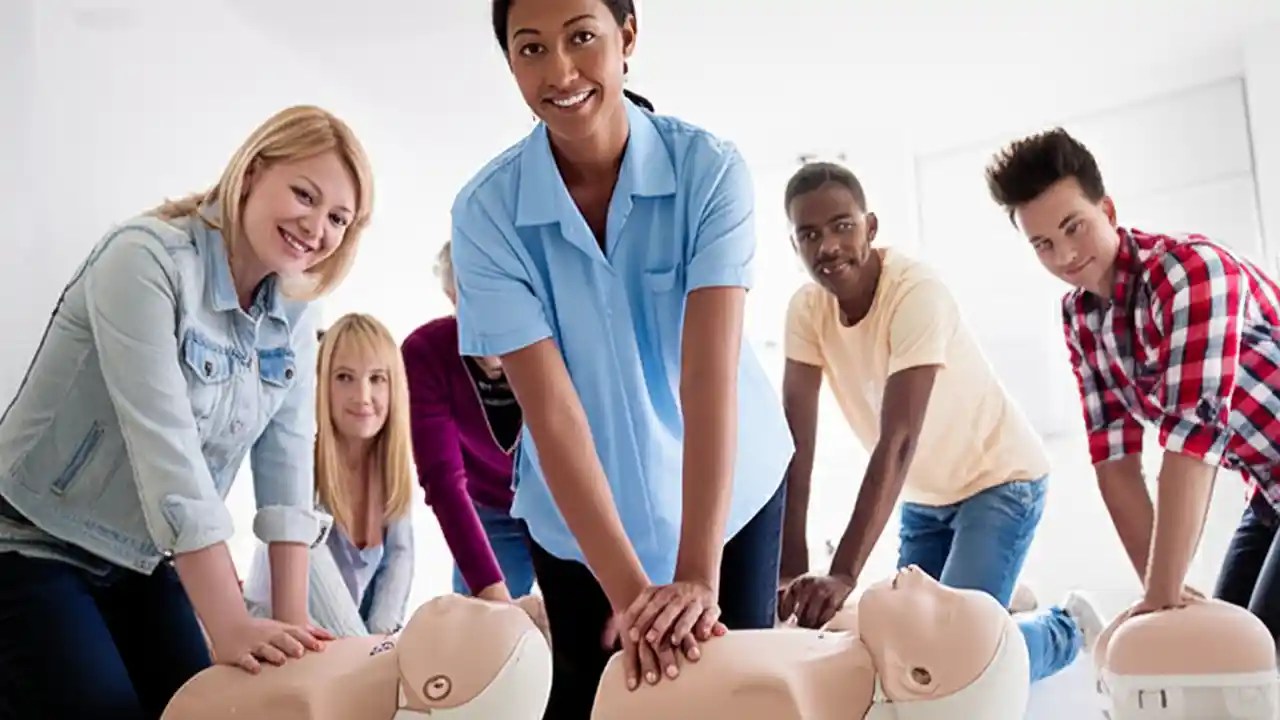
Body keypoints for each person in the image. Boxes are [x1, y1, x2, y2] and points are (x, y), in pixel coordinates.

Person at [451, 0, 794, 716]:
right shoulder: (486, 214)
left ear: (627, 36)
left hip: (728, 501)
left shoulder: (708, 171)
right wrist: (632, 597)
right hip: (578, 524)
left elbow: (708, 377)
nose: (560, 70)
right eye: (531, 48)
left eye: (582, 37)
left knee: (735, 696)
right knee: (597, 701)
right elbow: (551, 412)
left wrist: (698, 576)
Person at [0, 104, 374, 718]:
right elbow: (166, 452)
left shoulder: (298, 308)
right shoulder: (143, 260)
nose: (316, 228)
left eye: (338, 218)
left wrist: (294, 625)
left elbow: (287, 468)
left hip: (142, 561)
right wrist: (228, 625)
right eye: (304, 195)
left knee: (206, 707)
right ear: (252, 173)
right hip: (32, 541)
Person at [777, 161, 1098, 682]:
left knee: (956, 664)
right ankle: (993, 603)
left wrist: (843, 574)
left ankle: (1067, 627)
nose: (828, 246)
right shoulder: (806, 310)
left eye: (842, 226)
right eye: (809, 235)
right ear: (795, 247)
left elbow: (899, 440)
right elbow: (796, 443)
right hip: (925, 498)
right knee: (906, 657)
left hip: (1000, 481)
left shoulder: (914, 292)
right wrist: (789, 569)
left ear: (870, 227)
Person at [983, 127, 1280, 632]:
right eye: (1043, 244)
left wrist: (1162, 594)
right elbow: (1115, 461)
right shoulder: (1081, 317)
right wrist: (1161, 595)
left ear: (1109, 210)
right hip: (1267, 492)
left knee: (1258, 648)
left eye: (1074, 227)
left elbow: (1191, 443)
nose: (1065, 255)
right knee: (1221, 639)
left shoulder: (1189, 273)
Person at [243, 313, 415, 637]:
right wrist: (372, 653)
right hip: (280, 639)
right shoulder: (298, 469)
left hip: (347, 648)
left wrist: (381, 639)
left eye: (377, 378)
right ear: (322, 384)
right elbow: (318, 599)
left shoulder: (392, 473)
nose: (362, 396)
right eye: (344, 377)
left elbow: (399, 562)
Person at [401, 242, 533, 603]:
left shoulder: (555, 346)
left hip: (562, 505)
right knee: (483, 622)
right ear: (451, 296)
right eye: (475, 298)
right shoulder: (426, 352)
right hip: (490, 509)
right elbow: (442, 478)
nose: (492, 317)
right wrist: (492, 599)